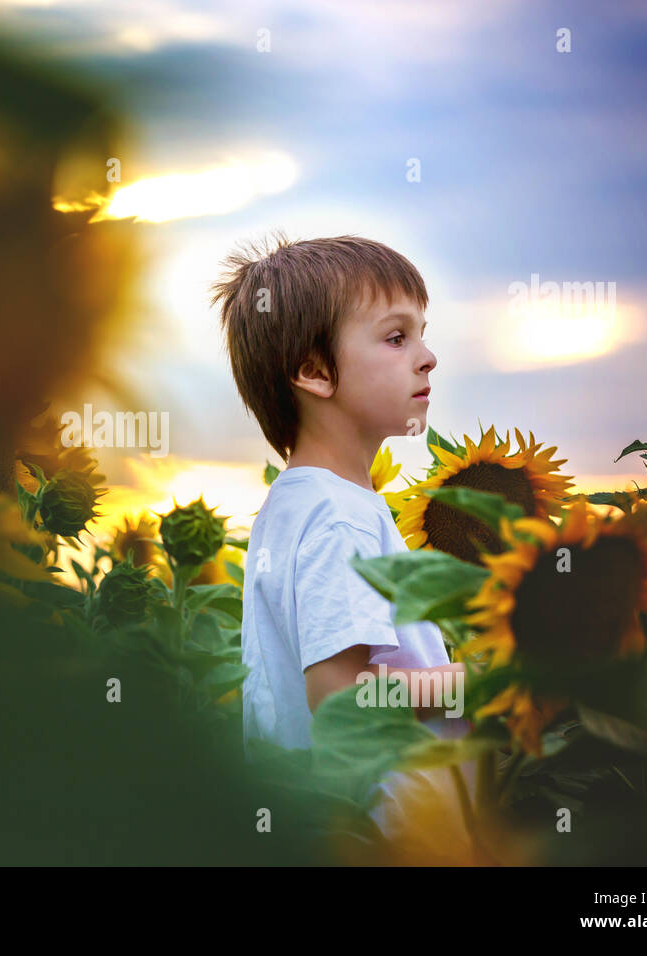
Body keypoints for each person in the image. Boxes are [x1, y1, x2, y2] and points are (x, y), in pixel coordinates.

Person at [212, 232, 477, 859]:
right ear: (313, 370)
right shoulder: (336, 516)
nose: (428, 356)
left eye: (422, 332)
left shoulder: (303, 503)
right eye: (396, 337)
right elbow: (341, 698)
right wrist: (476, 685)